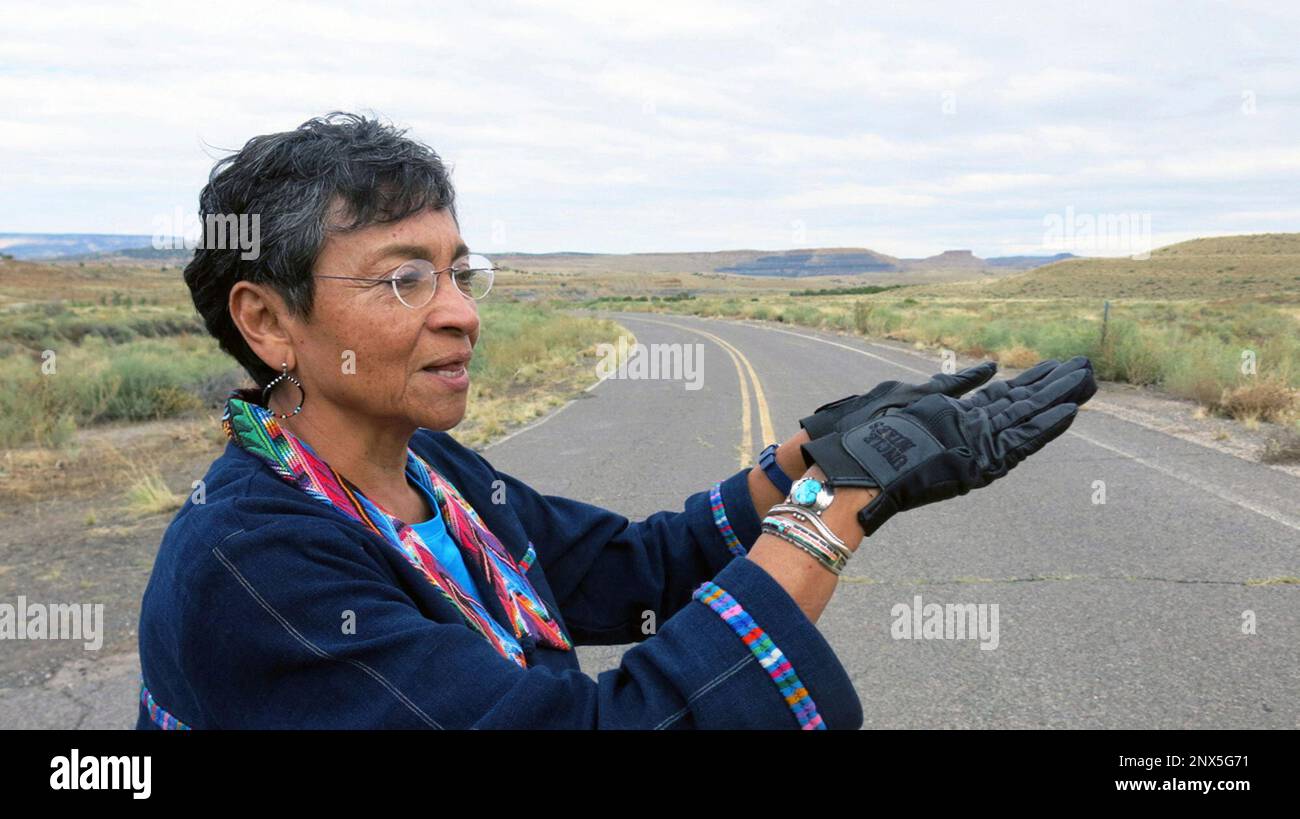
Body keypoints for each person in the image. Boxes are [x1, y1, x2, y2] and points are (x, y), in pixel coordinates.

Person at [136, 111, 1095, 730]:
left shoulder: (432, 473)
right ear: (267, 321)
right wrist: (839, 502)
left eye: (461, 270)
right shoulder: (254, 562)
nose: (461, 309)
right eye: (403, 277)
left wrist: (816, 451)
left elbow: (634, 569)